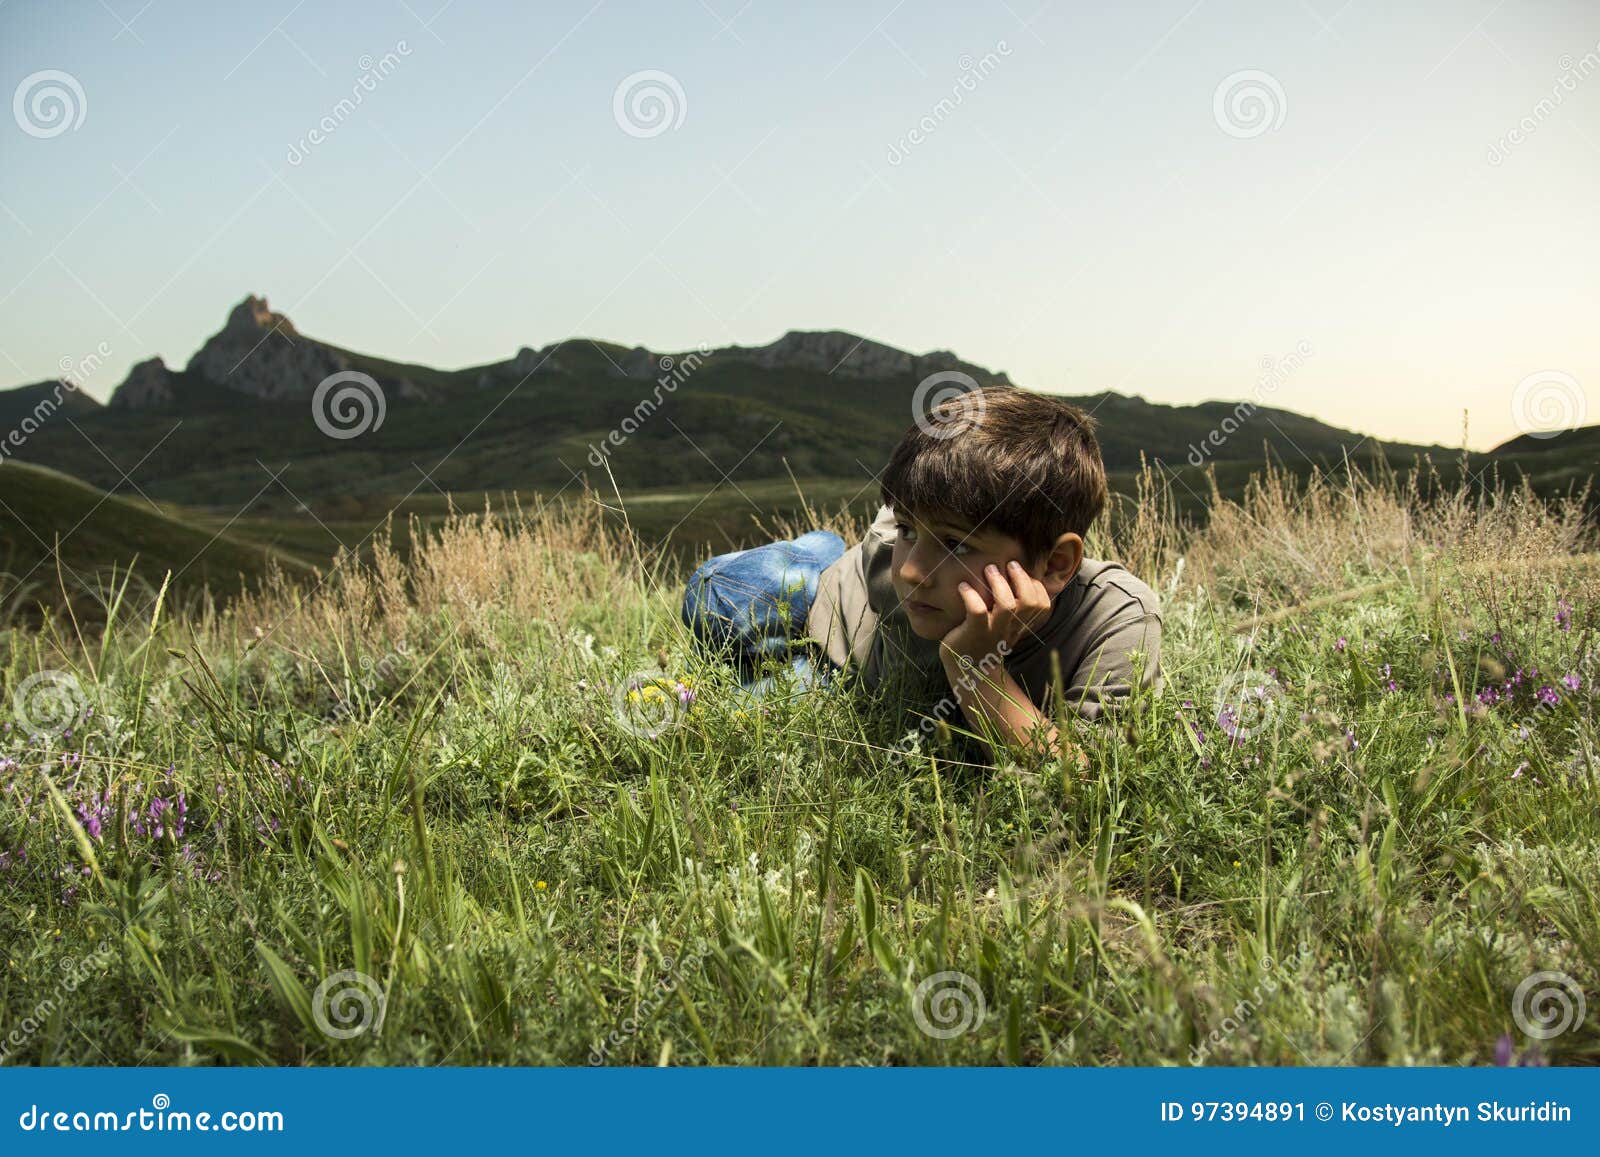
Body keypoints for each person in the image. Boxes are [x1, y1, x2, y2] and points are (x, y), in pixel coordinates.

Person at [681, 385, 1162, 758]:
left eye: (956, 545)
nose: (911, 572)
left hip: (849, 656)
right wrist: (914, 537)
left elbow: (1091, 788)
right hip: (840, 607)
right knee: (714, 597)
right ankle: (816, 552)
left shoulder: (1117, 618)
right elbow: (901, 536)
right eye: (910, 529)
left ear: (1057, 564)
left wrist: (978, 670)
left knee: (759, 702)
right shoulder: (893, 563)